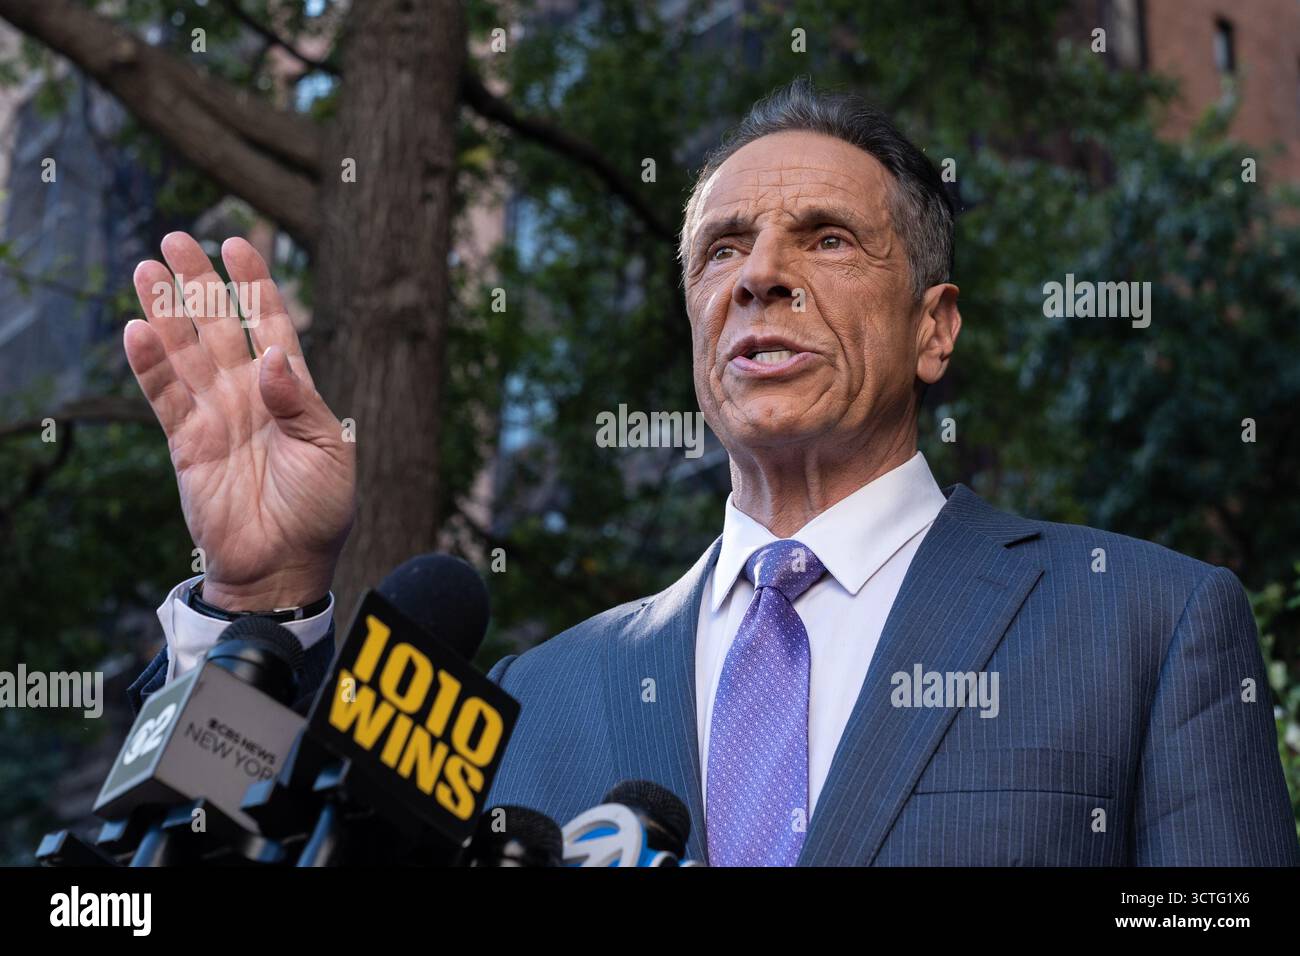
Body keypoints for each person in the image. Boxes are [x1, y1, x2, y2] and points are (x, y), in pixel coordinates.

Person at [123, 79, 1298, 866]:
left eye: (825, 238)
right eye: (722, 249)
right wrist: (257, 604)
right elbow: (220, 842)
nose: (759, 277)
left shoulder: (1151, 626)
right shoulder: (531, 693)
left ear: (935, 328)